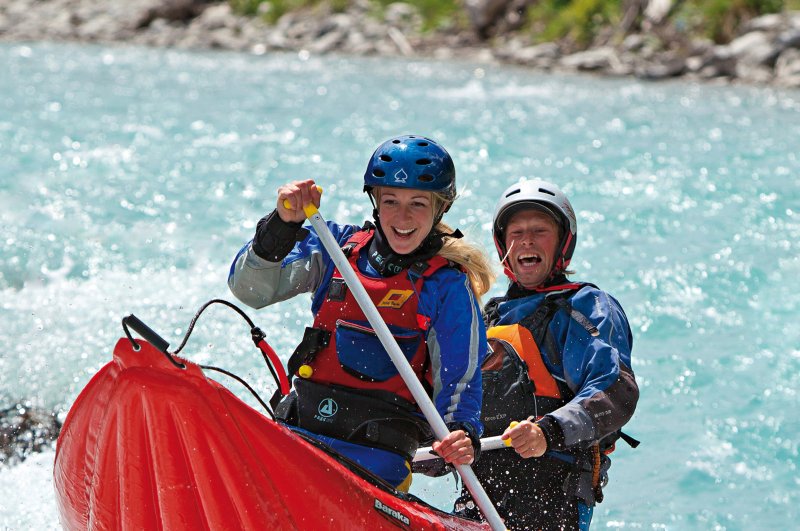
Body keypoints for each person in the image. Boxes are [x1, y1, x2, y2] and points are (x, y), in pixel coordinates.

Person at [228, 135, 495, 491]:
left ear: (439, 209)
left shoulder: (447, 287)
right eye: (391, 201)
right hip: (298, 432)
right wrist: (282, 224)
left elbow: (459, 379)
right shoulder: (337, 249)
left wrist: (462, 434)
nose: (402, 216)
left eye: (418, 203)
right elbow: (250, 290)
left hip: (377, 460)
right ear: (375, 202)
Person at [454, 179, 639, 530]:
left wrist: (547, 433)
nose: (526, 241)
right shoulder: (486, 320)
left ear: (563, 243)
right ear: (503, 244)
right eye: (517, 232)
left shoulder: (584, 307)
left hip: (553, 499)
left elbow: (615, 390)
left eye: (540, 231)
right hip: (478, 495)